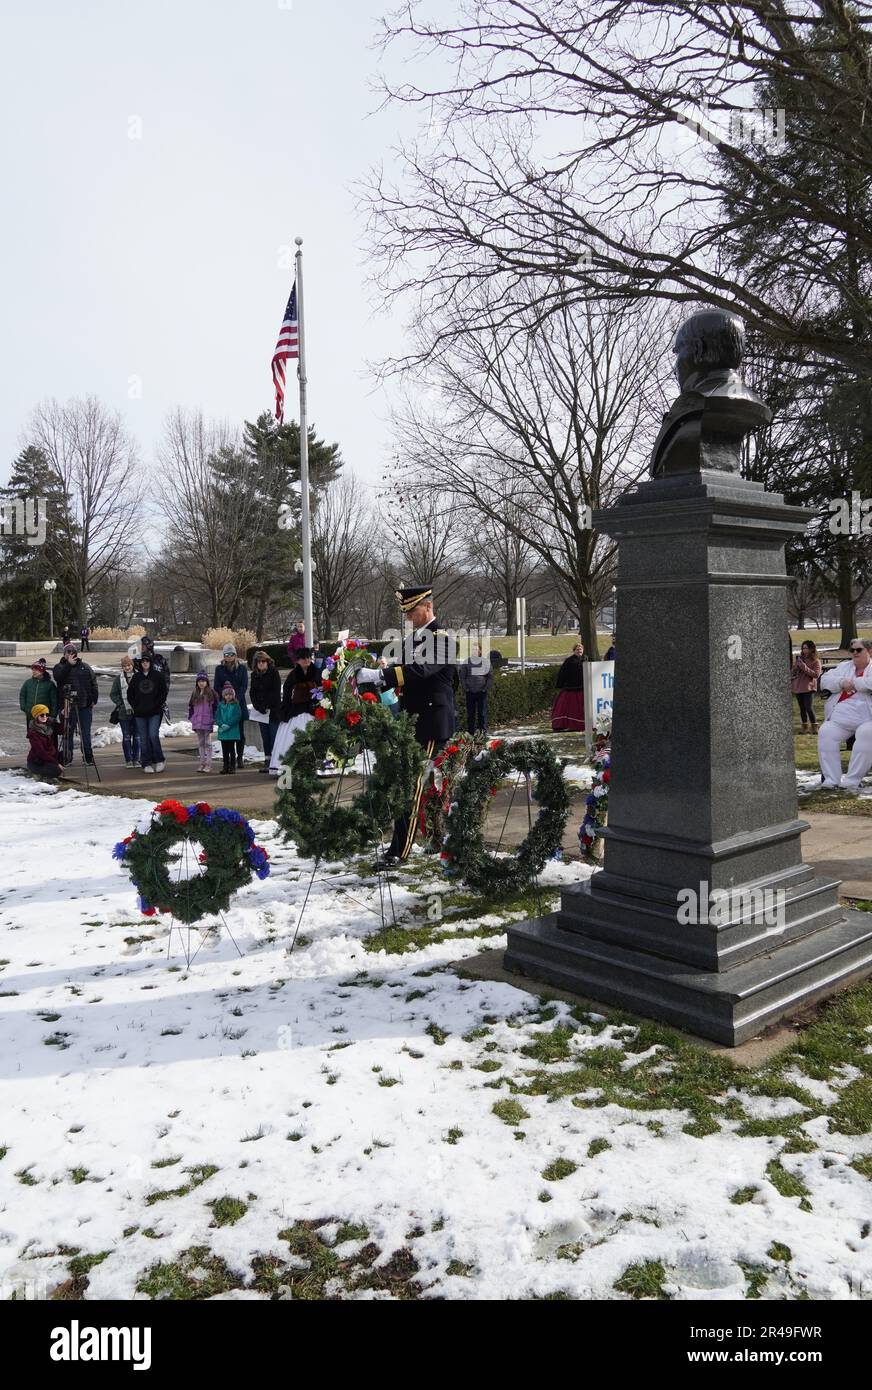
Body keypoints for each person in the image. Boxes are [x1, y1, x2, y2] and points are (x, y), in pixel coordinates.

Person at [356, 583, 457, 865]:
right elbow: (407, 678)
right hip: (414, 721)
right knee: (421, 786)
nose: (409, 618)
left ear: (428, 606)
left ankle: (399, 852)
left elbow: (419, 671)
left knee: (410, 786)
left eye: (413, 612)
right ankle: (438, 837)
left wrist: (380, 677)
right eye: (407, 614)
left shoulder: (442, 639)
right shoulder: (414, 639)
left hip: (432, 723)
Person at [817, 638, 872, 791]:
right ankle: (831, 780)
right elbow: (824, 680)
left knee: (867, 732)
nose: (855, 653)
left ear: (869, 651)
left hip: (867, 719)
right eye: (852, 650)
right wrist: (841, 682)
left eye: (859, 650)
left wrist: (857, 683)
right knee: (826, 731)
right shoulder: (844, 667)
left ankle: (852, 781)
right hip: (841, 718)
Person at [269, 648, 320, 774]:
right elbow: (287, 694)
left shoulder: (317, 672)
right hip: (296, 709)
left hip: (313, 708)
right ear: (298, 660)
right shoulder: (293, 675)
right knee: (291, 736)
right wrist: (285, 710)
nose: (307, 660)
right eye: (303, 658)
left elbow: (324, 688)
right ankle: (290, 765)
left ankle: (317, 766)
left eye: (308, 657)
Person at [52, 644, 99, 764]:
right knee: (67, 733)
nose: (69, 654)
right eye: (67, 652)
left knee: (86, 733)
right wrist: (68, 665)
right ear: (64, 654)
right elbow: (58, 678)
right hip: (67, 706)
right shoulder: (59, 667)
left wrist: (94, 699)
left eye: (72, 652)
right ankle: (67, 757)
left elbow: (94, 683)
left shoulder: (85, 667)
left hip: (84, 706)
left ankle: (88, 757)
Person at [128, 653, 169, 773]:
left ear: (150, 663)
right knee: (143, 738)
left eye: (147, 661)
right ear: (140, 664)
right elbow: (130, 694)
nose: (145, 663)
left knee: (153, 735)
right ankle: (146, 762)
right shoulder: (136, 677)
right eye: (143, 661)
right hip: (140, 713)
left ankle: (160, 759)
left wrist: (157, 704)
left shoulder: (157, 676)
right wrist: (136, 706)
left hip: (154, 711)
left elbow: (163, 692)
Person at [213, 643, 249, 770]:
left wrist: (235, 698)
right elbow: (216, 685)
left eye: (231, 654)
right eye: (227, 654)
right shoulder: (219, 669)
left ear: (235, 655)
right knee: (227, 734)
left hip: (238, 703)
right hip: (225, 704)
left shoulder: (242, 669)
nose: (229, 657)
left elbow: (244, 685)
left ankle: (239, 757)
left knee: (239, 733)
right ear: (224, 656)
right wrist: (225, 697)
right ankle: (227, 761)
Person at [249, 650, 282, 771]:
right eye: (259, 662)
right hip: (261, 712)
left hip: (273, 710)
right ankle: (267, 761)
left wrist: (267, 705)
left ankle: (275, 761)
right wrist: (258, 706)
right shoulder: (254, 675)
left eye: (263, 661)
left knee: (274, 736)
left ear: (267, 662)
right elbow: (253, 692)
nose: (261, 664)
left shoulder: (274, 673)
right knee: (265, 738)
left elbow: (276, 691)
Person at [110, 655, 140, 767]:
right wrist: (121, 704)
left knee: (137, 736)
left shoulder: (138, 676)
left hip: (137, 711)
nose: (127, 668)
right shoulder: (119, 679)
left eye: (128, 665)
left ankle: (136, 758)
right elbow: (113, 694)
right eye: (124, 666)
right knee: (126, 736)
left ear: (132, 665)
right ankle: (128, 759)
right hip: (124, 713)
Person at [459, 643, 494, 734]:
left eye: (476, 649)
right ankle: (471, 734)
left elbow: (490, 677)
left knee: (482, 714)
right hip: (470, 692)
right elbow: (462, 677)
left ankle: (483, 734)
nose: (474, 651)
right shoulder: (466, 662)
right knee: (470, 715)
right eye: (473, 649)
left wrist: (485, 688)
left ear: (480, 651)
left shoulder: (486, 662)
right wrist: (465, 688)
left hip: (482, 692)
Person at [551, 642, 586, 732]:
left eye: (580, 649)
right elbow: (563, 673)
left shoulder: (585, 659)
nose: (579, 651)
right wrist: (561, 684)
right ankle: (564, 724)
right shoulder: (569, 661)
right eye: (577, 649)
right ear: (574, 651)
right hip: (571, 688)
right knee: (568, 707)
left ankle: (582, 724)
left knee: (581, 708)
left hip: (582, 687)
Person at [188, 670, 217, 773]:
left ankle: (208, 764)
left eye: (203, 681)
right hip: (197, 722)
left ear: (207, 682)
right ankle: (202, 763)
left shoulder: (211, 693)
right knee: (200, 743)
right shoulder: (195, 692)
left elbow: (215, 707)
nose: (201, 683)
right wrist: (191, 717)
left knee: (208, 743)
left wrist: (213, 718)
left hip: (207, 721)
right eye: (199, 681)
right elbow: (191, 706)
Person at [791, 640, 822, 734]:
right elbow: (793, 672)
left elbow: (816, 675)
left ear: (812, 649)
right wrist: (796, 667)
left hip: (809, 688)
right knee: (802, 709)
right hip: (798, 687)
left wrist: (804, 666)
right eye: (803, 648)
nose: (804, 650)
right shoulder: (800, 659)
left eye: (806, 648)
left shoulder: (816, 661)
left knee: (808, 707)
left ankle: (814, 727)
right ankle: (805, 728)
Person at [19, 658, 58, 734]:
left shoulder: (49, 684)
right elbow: (22, 695)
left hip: (44, 717)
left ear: (42, 671)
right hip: (31, 716)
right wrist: (24, 707)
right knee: (32, 736)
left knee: (44, 737)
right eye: (33, 669)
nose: (34, 671)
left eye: (36, 669)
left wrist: (52, 715)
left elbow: (54, 701)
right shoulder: (28, 683)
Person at [26, 704, 63, 781]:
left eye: (46, 714)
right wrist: (56, 763)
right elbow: (41, 753)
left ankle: (49, 770)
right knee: (57, 770)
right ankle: (39, 774)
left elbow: (62, 730)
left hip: (49, 758)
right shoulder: (33, 733)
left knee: (66, 754)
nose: (45, 717)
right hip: (37, 762)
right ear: (36, 716)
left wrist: (63, 716)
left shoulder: (49, 726)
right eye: (42, 715)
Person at [216, 682, 243, 774]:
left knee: (231, 749)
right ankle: (225, 766)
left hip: (232, 731)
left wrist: (228, 724)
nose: (228, 696)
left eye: (230, 694)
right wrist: (221, 724)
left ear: (233, 695)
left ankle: (232, 766)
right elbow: (217, 716)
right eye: (226, 694)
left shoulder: (236, 705)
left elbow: (237, 716)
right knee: (224, 750)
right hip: (223, 732)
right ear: (223, 695)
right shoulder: (220, 705)